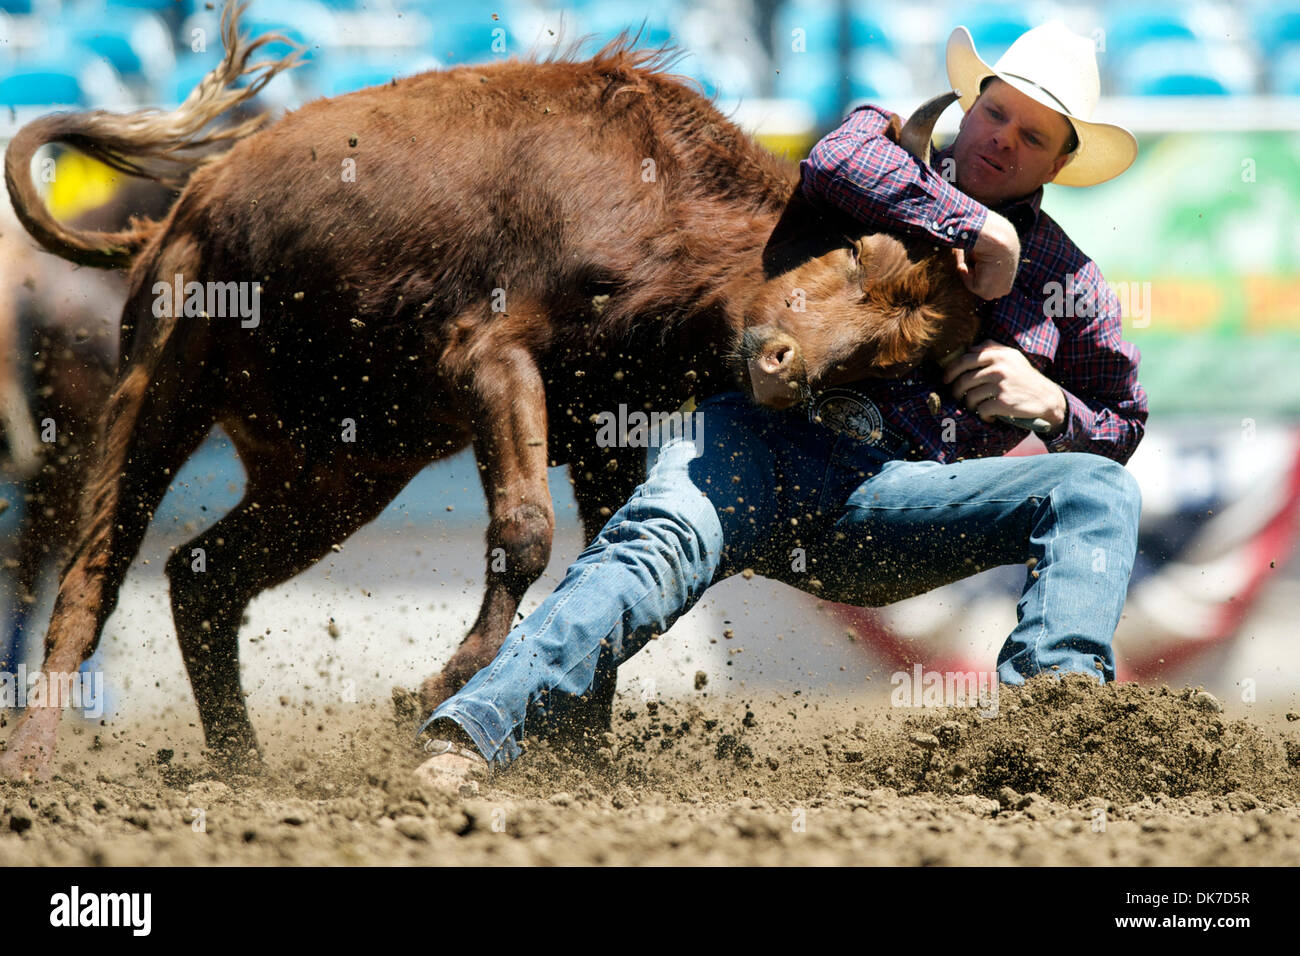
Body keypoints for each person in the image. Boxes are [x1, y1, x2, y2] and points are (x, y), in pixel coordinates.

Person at [415, 20, 1149, 787]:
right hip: (759, 445)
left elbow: (1123, 424)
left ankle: (1055, 739)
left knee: (1097, 489)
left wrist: (1056, 408)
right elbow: (836, 160)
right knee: (653, 542)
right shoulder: (880, 147)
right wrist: (978, 228)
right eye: (996, 113)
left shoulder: (1072, 283)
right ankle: (472, 734)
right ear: (973, 102)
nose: (1003, 140)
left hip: (899, 501)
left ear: (1061, 162)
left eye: (1033, 136)